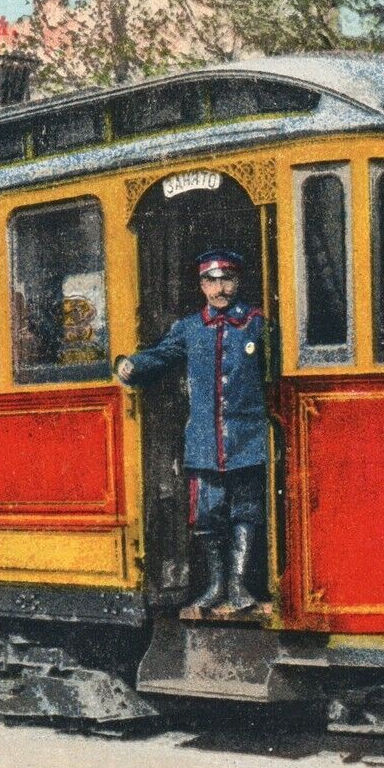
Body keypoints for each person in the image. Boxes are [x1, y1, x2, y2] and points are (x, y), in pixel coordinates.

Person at [116, 249, 270, 617]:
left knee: (246, 511)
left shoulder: (256, 323)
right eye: (212, 281)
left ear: (238, 282)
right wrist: (131, 364)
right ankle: (215, 586)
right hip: (204, 441)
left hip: (246, 438)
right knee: (207, 514)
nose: (220, 288)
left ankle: (238, 584)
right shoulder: (189, 328)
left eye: (227, 279)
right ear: (202, 285)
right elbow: (163, 354)